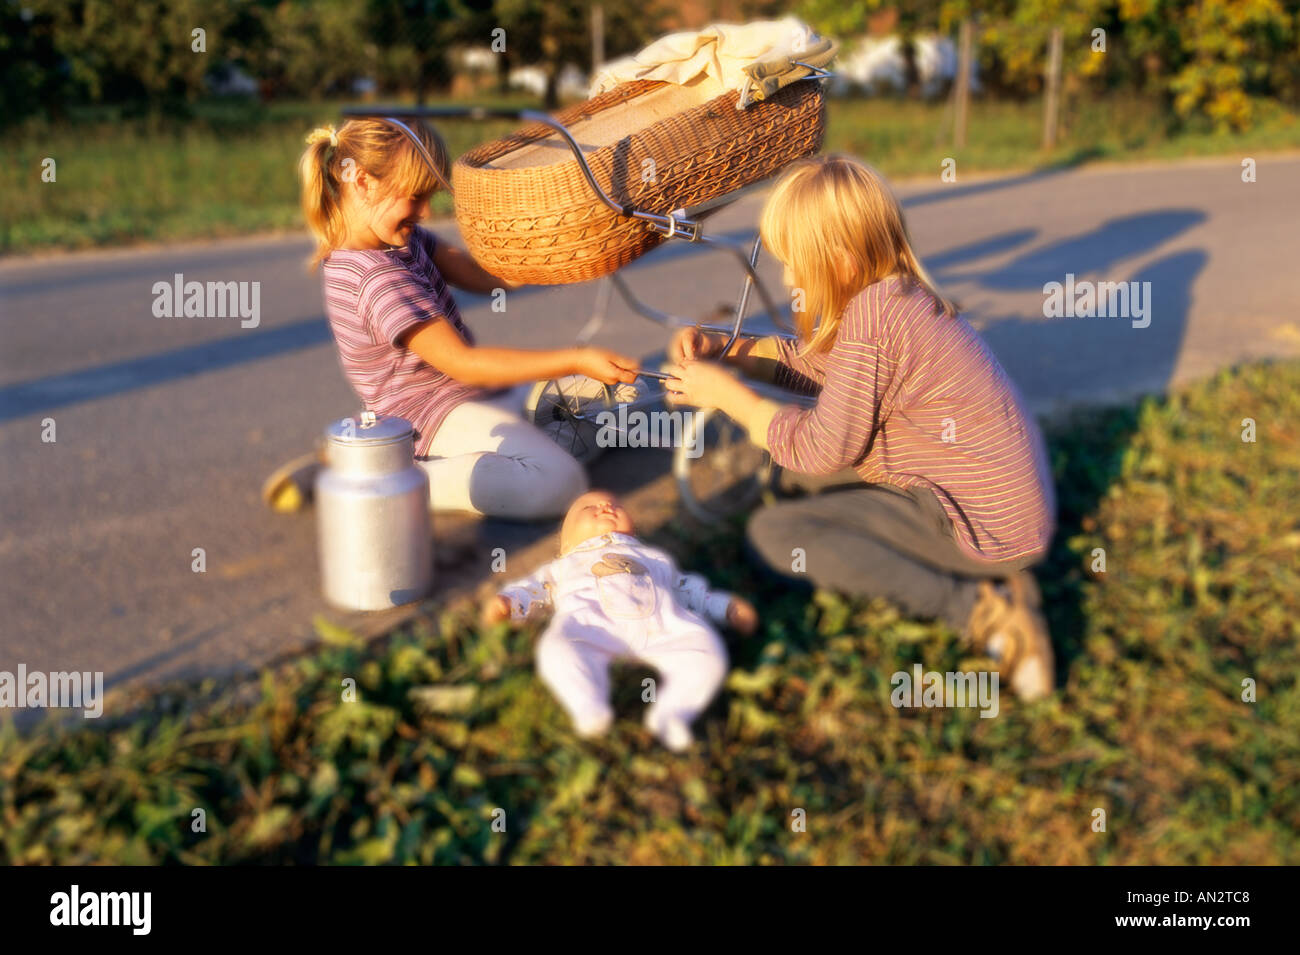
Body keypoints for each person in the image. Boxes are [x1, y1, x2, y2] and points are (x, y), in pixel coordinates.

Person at [663, 155, 1056, 699]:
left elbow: (822, 447)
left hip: (986, 529)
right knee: (793, 475)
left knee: (776, 535)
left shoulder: (874, 317)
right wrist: (732, 350)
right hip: (1001, 506)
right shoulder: (895, 298)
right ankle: (992, 579)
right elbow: (828, 371)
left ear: (841, 263)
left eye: (795, 263)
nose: (790, 278)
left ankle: (983, 608)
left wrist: (730, 397)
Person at [296, 118, 638, 519]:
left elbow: (485, 276)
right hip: (429, 419)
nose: (425, 211)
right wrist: (576, 359)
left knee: (615, 405)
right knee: (561, 482)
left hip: (468, 398)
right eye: (416, 196)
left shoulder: (400, 238)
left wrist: (567, 254)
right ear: (364, 183)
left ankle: (370, 452)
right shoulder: (375, 280)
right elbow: (464, 364)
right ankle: (378, 475)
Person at [483, 490, 758, 750]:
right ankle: (587, 706)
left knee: (706, 652)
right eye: (588, 508)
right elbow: (536, 590)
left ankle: (672, 713)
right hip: (590, 629)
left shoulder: (656, 558)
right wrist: (509, 603)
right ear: (565, 544)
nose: (606, 507)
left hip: (665, 630)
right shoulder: (564, 565)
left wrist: (726, 608)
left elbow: (689, 589)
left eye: (615, 505)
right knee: (556, 650)